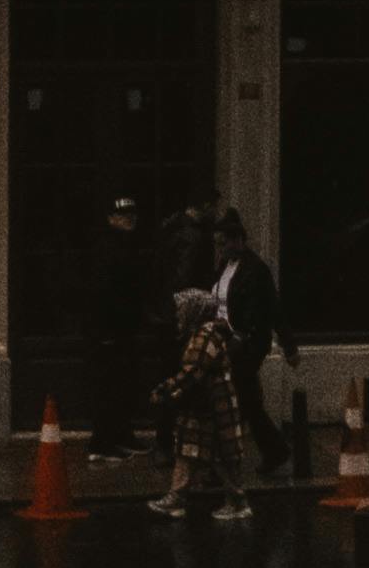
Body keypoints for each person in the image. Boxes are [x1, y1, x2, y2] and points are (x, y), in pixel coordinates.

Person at [160, 275, 255, 522]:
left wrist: (165, 390)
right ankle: (177, 497)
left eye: (182, 310)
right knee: (190, 451)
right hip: (207, 403)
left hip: (213, 406)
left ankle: (237, 502)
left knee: (216, 456)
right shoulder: (208, 332)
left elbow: (192, 372)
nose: (178, 315)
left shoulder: (203, 337)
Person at [207, 202, 294, 462]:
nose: (219, 249)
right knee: (247, 402)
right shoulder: (224, 266)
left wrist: (289, 345)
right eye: (217, 244)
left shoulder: (255, 269)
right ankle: (274, 451)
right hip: (225, 340)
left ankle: (220, 461)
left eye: (223, 243)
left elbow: (272, 308)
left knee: (231, 401)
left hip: (246, 343)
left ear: (238, 240)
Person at [86, 192, 158, 463]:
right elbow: (102, 292)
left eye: (132, 215)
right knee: (108, 387)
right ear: (110, 219)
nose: (129, 219)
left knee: (124, 384)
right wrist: (104, 331)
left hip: (124, 329)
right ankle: (103, 442)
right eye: (122, 215)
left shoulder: (127, 246)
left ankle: (121, 435)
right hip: (109, 331)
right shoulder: (106, 248)